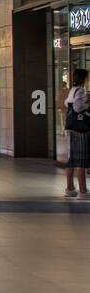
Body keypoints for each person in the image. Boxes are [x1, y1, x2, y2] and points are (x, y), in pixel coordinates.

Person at [63, 67, 90, 199]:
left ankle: (70, 188)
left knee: (72, 159)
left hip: (71, 127)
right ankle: (83, 191)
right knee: (81, 160)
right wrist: (87, 104)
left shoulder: (72, 90)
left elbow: (66, 103)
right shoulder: (81, 90)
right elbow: (78, 107)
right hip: (80, 129)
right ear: (84, 78)